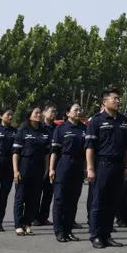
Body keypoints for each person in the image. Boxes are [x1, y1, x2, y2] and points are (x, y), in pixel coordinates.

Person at [86, 89, 127, 248]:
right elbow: (90, 147)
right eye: (115, 99)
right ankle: (96, 235)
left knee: (112, 202)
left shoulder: (123, 121)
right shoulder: (96, 121)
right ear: (105, 102)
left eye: (119, 98)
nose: (118, 101)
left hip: (119, 165)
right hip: (102, 164)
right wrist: (90, 168)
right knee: (99, 202)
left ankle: (107, 235)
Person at [49, 103, 87, 242]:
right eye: (75, 110)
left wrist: (87, 168)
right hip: (64, 163)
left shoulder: (84, 129)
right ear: (68, 113)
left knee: (73, 200)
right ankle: (59, 231)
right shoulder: (61, 129)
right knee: (60, 199)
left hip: (78, 165)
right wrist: (52, 169)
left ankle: (68, 230)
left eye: (80, 109)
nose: (78, 112)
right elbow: (54, 151)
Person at [12, 107, 49, 236]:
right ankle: (18, 225)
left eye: (40, 113)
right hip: (24, 166)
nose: (39, 115)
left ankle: (27, 223)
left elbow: (46, 153)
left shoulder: (44, 131)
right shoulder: (23, 130)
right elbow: (16, 153)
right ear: (30, 115)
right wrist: (16, 170)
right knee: (20, 197)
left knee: (33, 198)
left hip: (38, 168)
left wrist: (46, 168)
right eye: (36, 113)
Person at [35, 104, 58, 227]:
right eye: (51, 111)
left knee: (48, 193)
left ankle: (43, 217)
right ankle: (34, 216)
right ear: (44, 112)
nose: (54, 113)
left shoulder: (57, 128)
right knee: (36, 193)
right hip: (40, 162)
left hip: (53, 163)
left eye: (55, 111)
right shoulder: (39, 127)